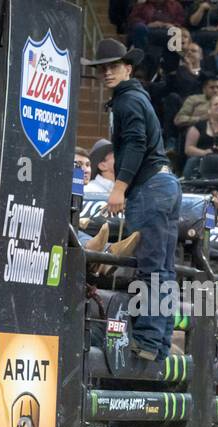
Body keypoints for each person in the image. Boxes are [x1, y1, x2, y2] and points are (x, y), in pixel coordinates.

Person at [84, 39, 182, 363]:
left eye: (113, 66)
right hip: (165, 184)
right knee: (164, 270)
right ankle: (161, 342)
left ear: (128, 67)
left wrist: (119, 187)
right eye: (103, 68)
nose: (107, 72)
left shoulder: (126, 101)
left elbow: (137, 144)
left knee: (151, 270)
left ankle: (147, 341)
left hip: (150, 187)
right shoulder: (136, 98)